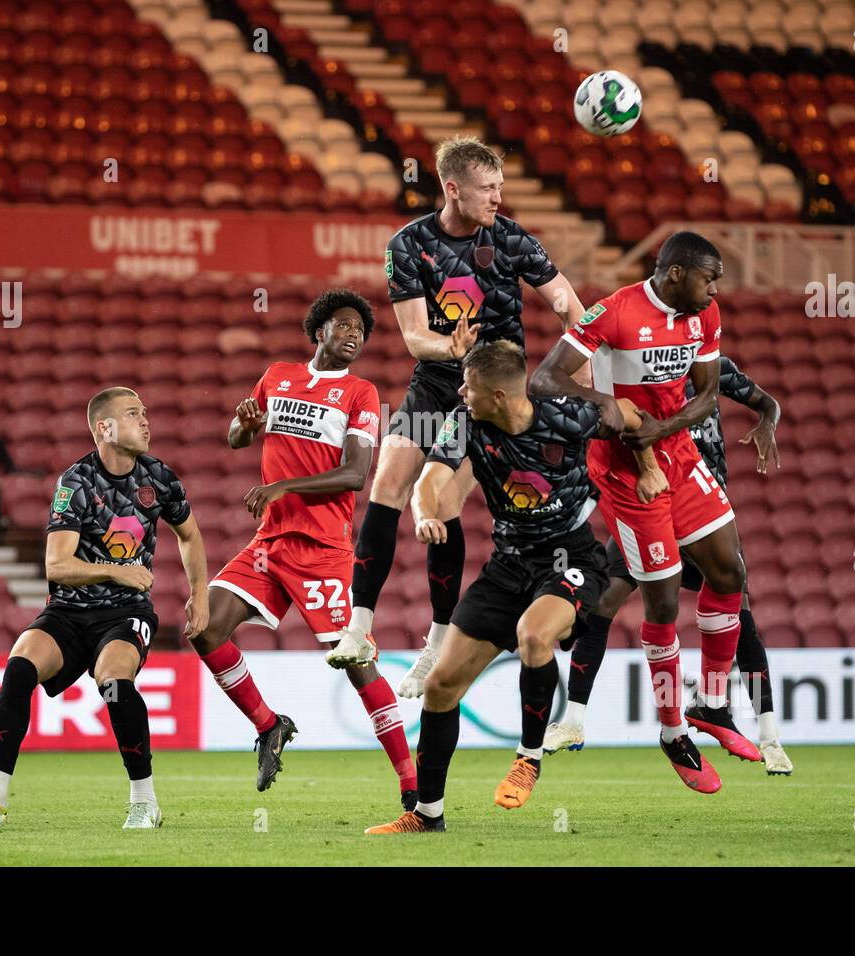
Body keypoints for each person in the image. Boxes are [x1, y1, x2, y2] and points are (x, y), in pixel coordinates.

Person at [323, 136, 588, 692]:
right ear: (452, 188)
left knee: (442, 502)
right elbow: (416, 337)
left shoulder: (512, 240)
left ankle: (439, 637)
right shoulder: (409, 245)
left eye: (500, 187)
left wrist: (580, 352)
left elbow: (565, 301)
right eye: (488, 188)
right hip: (437, 383)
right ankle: (360, 626)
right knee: (388, 483)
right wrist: (451, 346)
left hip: (490, 398)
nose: (498, 197)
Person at [365, 341, 660, 834]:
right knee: (440, 686)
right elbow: (429, 480)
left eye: (469, 387)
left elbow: (632, 416)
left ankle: (529, 756)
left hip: (570, 560)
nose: (461, 393)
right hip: (507, 566)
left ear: (499, 395)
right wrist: (423, 514)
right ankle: (427, 815)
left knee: (533, 634)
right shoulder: (466, 422)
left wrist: (649, 468)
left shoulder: (569, 416)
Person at [531, 230, 755, 794]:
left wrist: (665, 428)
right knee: (661, 598)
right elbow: (544, 377)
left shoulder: (704, 316)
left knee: (730, 571)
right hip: (627, 476)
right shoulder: (616, 312)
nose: (714, 290)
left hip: (678, 454)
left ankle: (712, 703)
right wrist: (603, 401)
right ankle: (673, 730)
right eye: (708, 279)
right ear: (676, 273)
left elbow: (706, 395)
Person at [186, 289, 418, 810]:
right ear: (320, 332)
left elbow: (358, 473)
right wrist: (244, 425)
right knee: (203, 627)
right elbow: (235, 438)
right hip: (270, 542)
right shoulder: (278, 376)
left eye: (361, 328)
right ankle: (269, 726)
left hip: (321, 547)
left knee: (357, 664)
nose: (354, 333)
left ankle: (412, 783)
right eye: (343, 324)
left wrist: (285, 488)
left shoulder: (359, 393)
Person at [0, 386, 209, 830]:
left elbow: (190, 535)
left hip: (126, 614)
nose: (146, 421)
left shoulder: (160, 478)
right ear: (104, 428)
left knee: (114, 683)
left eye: (145, 413)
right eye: (133, 414)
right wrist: (115, 569)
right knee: (19, 668)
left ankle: (145, 802)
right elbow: (57, 565)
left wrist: (199, 593)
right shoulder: (76, 482)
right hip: (68, 613)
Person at [543, 356, 794, 774]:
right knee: (603, 602)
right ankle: (572, 720)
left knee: (739, 609)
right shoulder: (639, 386)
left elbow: (766, 402)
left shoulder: (712, 371)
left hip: (700, 513)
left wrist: (768, 420)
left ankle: (769, 737)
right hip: (651, 506)